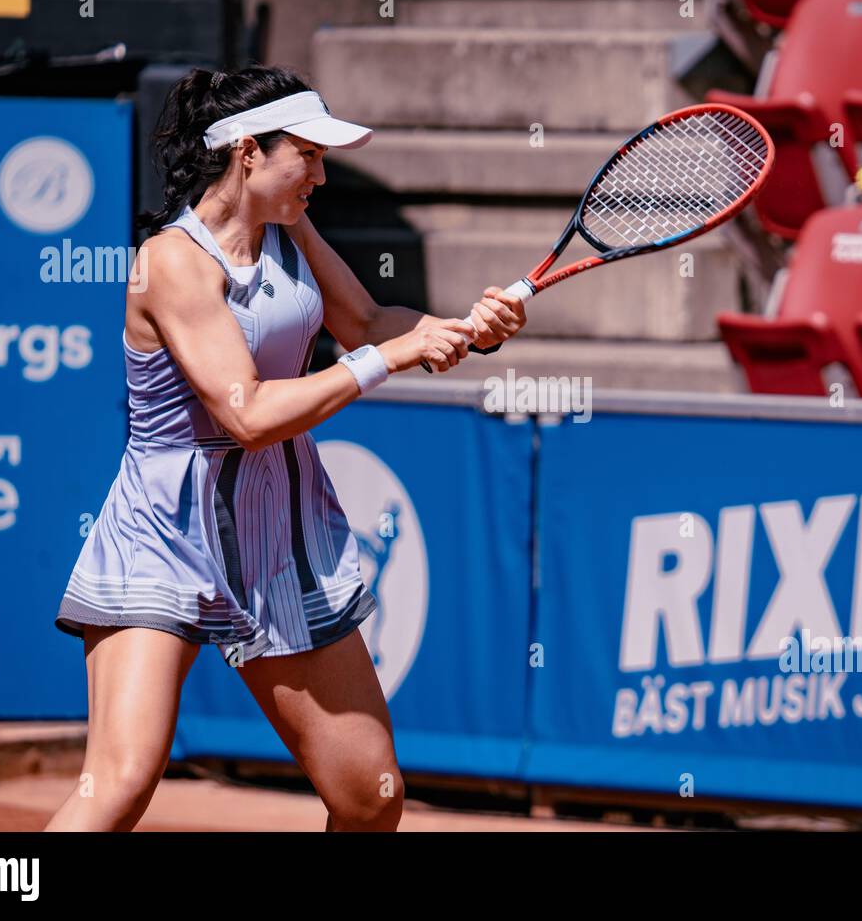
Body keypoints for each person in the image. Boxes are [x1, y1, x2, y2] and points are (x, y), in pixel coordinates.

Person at [45, 65, 526, 831]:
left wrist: (459, 328)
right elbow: (248, 415)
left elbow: (366, 324)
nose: (322, 174)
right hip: (163, 536)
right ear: (246, 153)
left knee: (370, 799)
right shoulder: (170, 262)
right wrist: (383, 361)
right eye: (308, 154)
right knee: (122, 782)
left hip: (280, 539)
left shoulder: (290, 229)